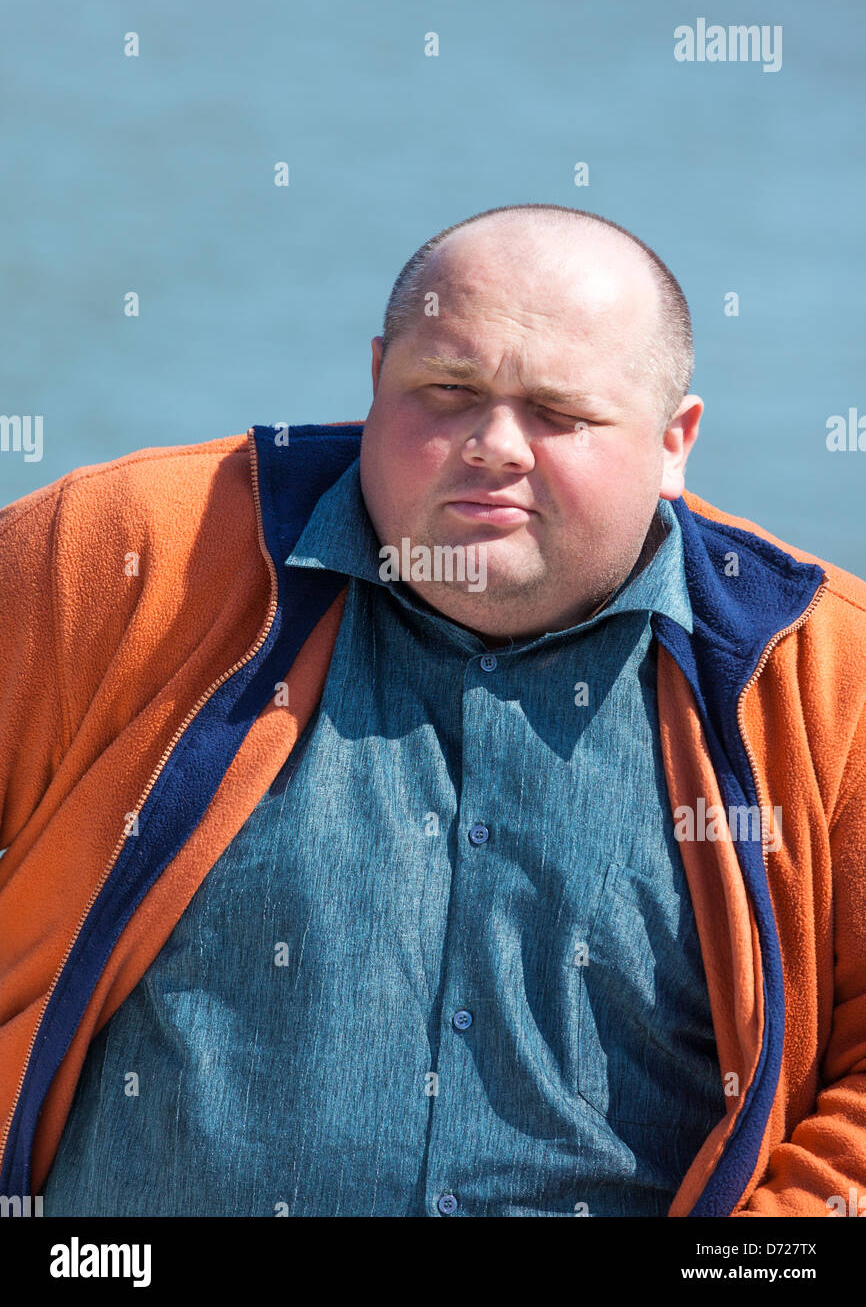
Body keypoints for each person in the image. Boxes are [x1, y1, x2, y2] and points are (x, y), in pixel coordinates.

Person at [1, 204, 864, 1218]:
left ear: (674, 442)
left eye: (559, 412)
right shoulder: (115, 563)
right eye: (447, 392)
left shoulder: (815, 673)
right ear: (374, 381)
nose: (493, 445)